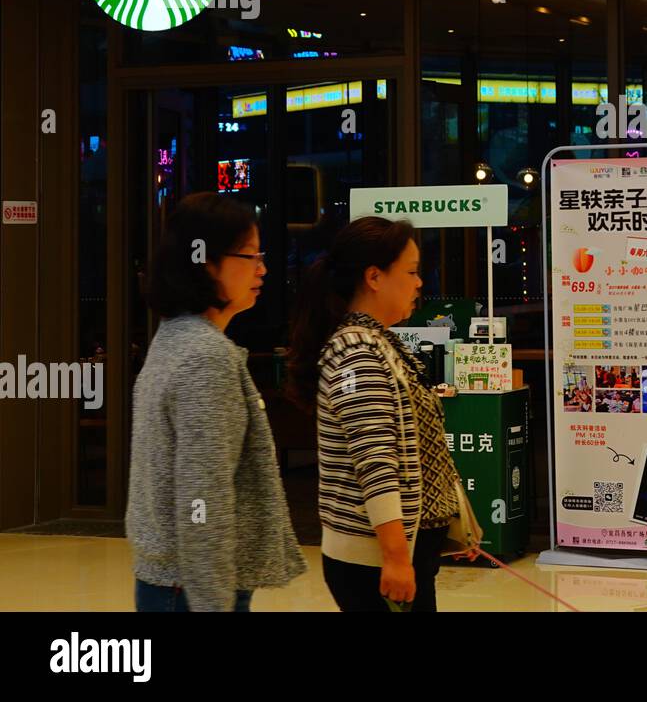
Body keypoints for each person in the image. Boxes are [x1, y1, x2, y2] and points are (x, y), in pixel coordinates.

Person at [126, 192, 307, 612]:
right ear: (206, 263)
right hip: (190, 588)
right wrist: (211, 600)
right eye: (249, 255)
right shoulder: (207, 357)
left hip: (167, 580)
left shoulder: (171, 338)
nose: (262, 268)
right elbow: (201, 496)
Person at [288, 216, 462, 612]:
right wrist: (397, 558)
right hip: (374, 559)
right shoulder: (357, 353)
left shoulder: (379, 342)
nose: (420, 283)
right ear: (374, 277)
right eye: (412, 272)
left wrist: (452, 522)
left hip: (407, 549)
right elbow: (376, 462)